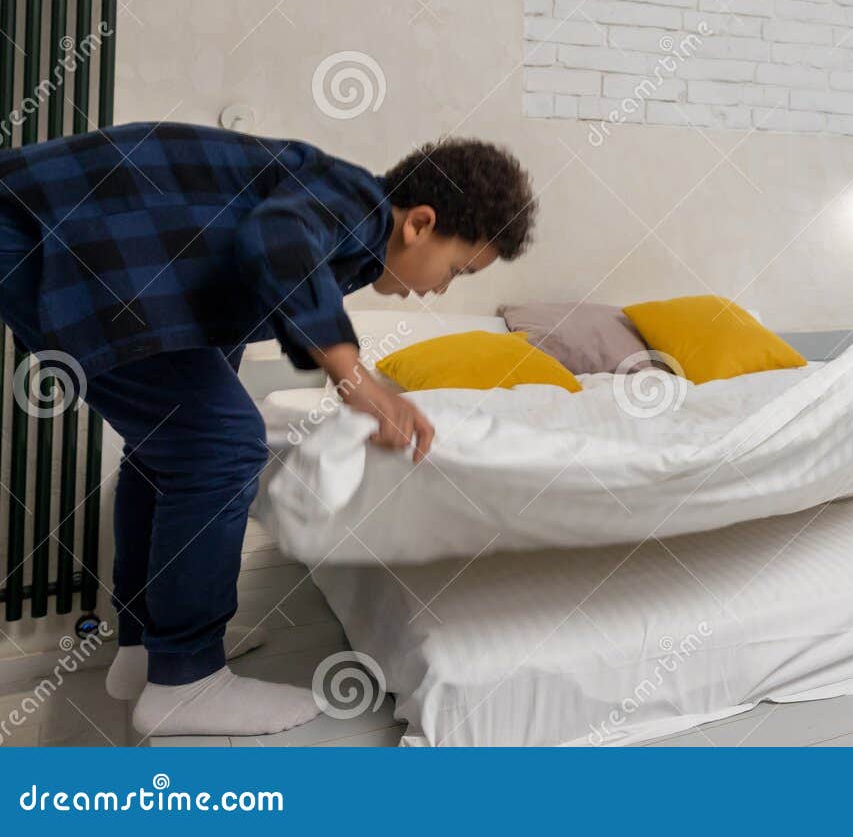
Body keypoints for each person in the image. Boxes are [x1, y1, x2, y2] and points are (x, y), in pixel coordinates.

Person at [0, 121, 535, 736]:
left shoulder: (341, 230)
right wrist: (355, 379)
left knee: (172, 448)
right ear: (418, 223)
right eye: (457, 270)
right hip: (41, 230)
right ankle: (187, 681)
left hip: (67, 243)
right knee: (220, 447)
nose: (440, 287)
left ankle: (146, 651)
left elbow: (224, 285)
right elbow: (276, 238)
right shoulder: (357, 204)